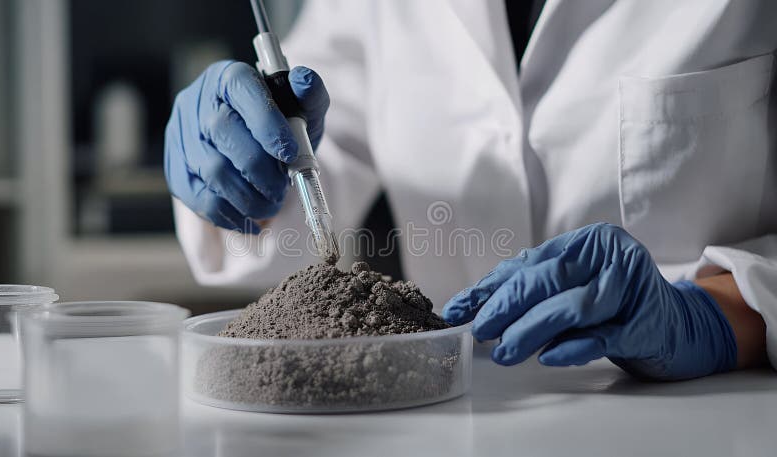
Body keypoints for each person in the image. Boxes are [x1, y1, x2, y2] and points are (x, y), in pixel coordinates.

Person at [165, 0, 777, 380]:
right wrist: (234, 170)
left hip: (709, 422)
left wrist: (724, 314)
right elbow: (287, 217)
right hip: (451, 418)